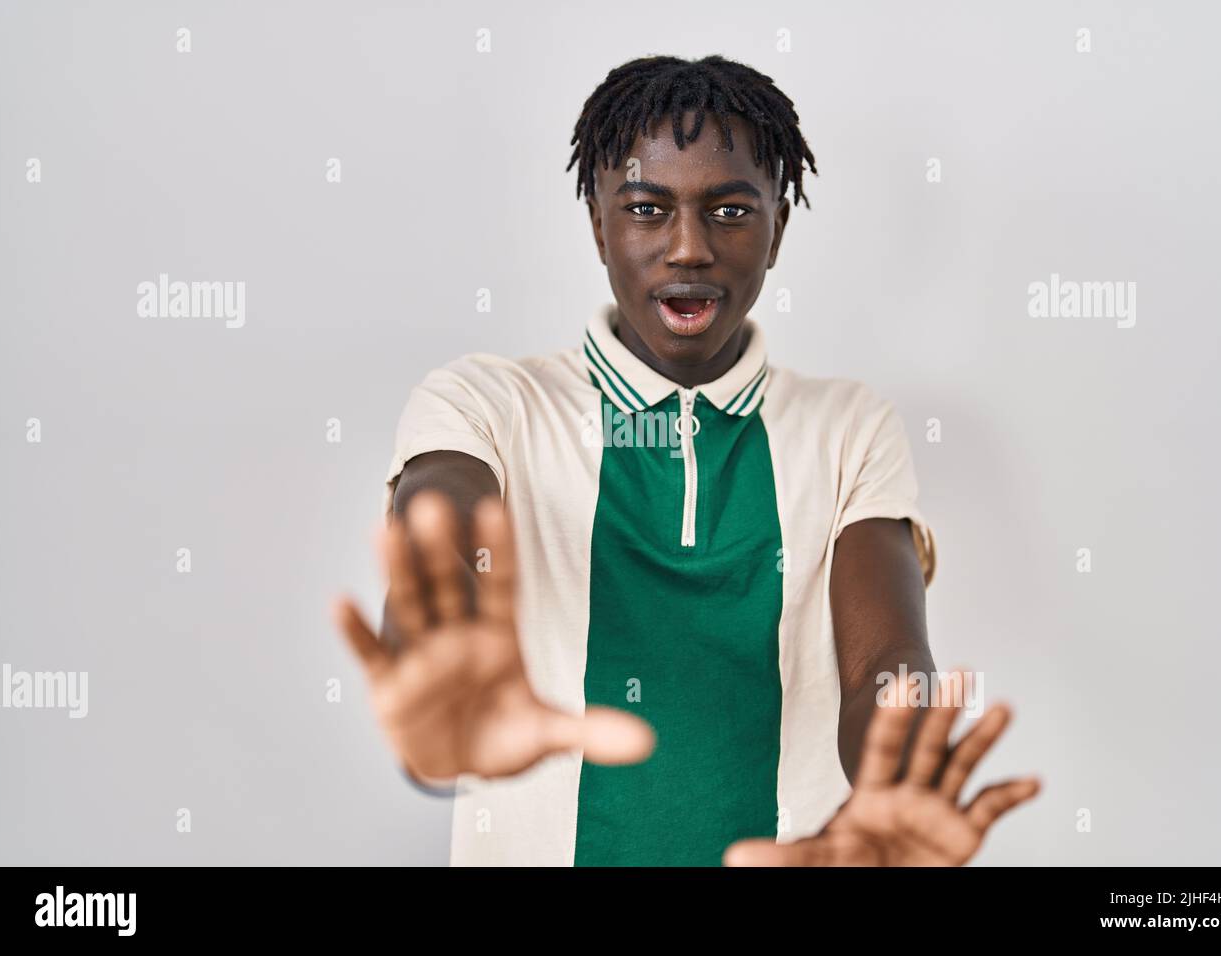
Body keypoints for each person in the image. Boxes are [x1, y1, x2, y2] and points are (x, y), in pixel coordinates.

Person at [334, 54, 1040, 866]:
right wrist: (440, 670)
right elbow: (444, 534)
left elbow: (884, 661)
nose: (688, 248)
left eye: (731, 211)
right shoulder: (486, 405)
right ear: (599, 225)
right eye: (646, 208)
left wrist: (902, 770)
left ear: (778, 227)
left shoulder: (848, 428)